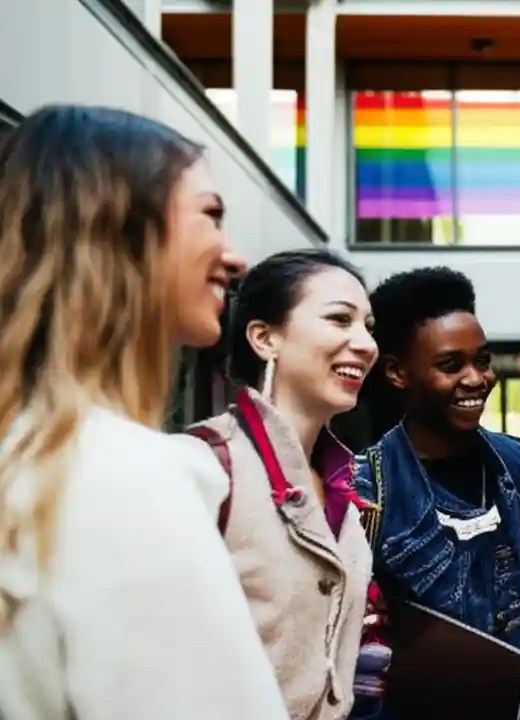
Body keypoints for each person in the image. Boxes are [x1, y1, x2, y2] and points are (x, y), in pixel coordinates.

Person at [0, 105, 288, 718]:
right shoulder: (123, 477)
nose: (235, 258)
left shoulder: (28, 453)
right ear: (122, 229)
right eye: (210, 215)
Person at [351, 266, 520, 720]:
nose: (477, 379)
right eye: (450, 365)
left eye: (483, 360)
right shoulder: (366, 492)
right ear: (397, 372)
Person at [178, 249, 378, 719]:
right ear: (265, 338)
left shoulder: (345, 493)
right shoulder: (204, 466)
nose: (365, 343)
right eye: (339, 319)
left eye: (368, 326)